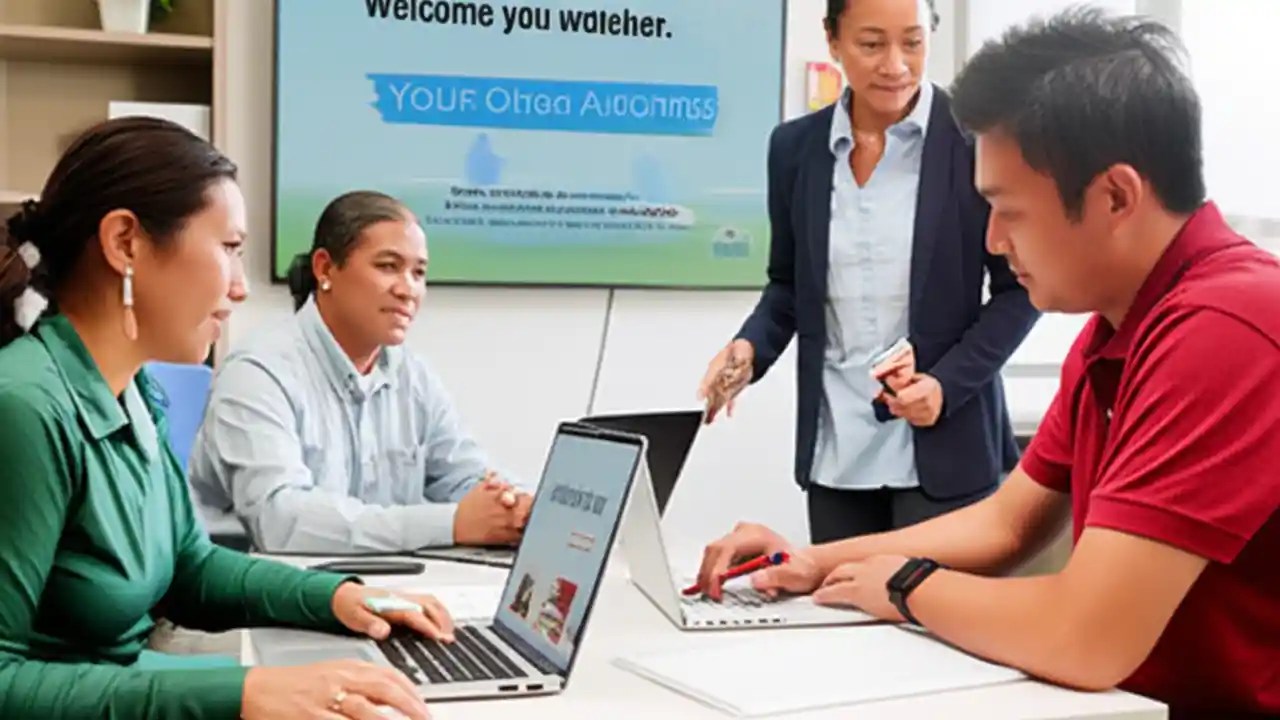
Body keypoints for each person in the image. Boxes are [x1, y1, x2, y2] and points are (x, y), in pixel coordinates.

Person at [696, 8, 1280, 718]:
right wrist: (812, 560)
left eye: (1008, 210)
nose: (995, 241)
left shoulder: (1225, 328)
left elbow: (1084, 637)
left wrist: (905, 586)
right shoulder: (1118, 328)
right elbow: (1005, 525)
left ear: (1116, 197)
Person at [0, 117, 455, 719]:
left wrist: (339, 598)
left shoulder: (133, 391)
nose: (240, 288)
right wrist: (244, 694)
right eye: (229, 249)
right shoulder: (24, 407)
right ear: (125, 243)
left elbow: (190, 568)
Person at [698, 0, 1039, 544]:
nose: (895, 65)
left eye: (913, 42)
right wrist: (748, 350)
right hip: (837, 448)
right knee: (837, 597)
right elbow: (788, 286)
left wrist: (945, 385)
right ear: (833, 40)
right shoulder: (794, 149)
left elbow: (1020, 290)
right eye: (872, 44)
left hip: (943, 441)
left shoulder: (977, 142)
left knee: (929, 598)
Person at [189, 190, 533, 554]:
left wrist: (517, 507)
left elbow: (464, 475)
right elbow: (281, 520)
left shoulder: (412, 375)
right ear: (325, 268)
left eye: (418, 272)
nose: (408, 290)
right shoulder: (258, 371)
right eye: (388, 266)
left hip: (386, 579)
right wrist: (452, 523)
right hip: (259, 581)